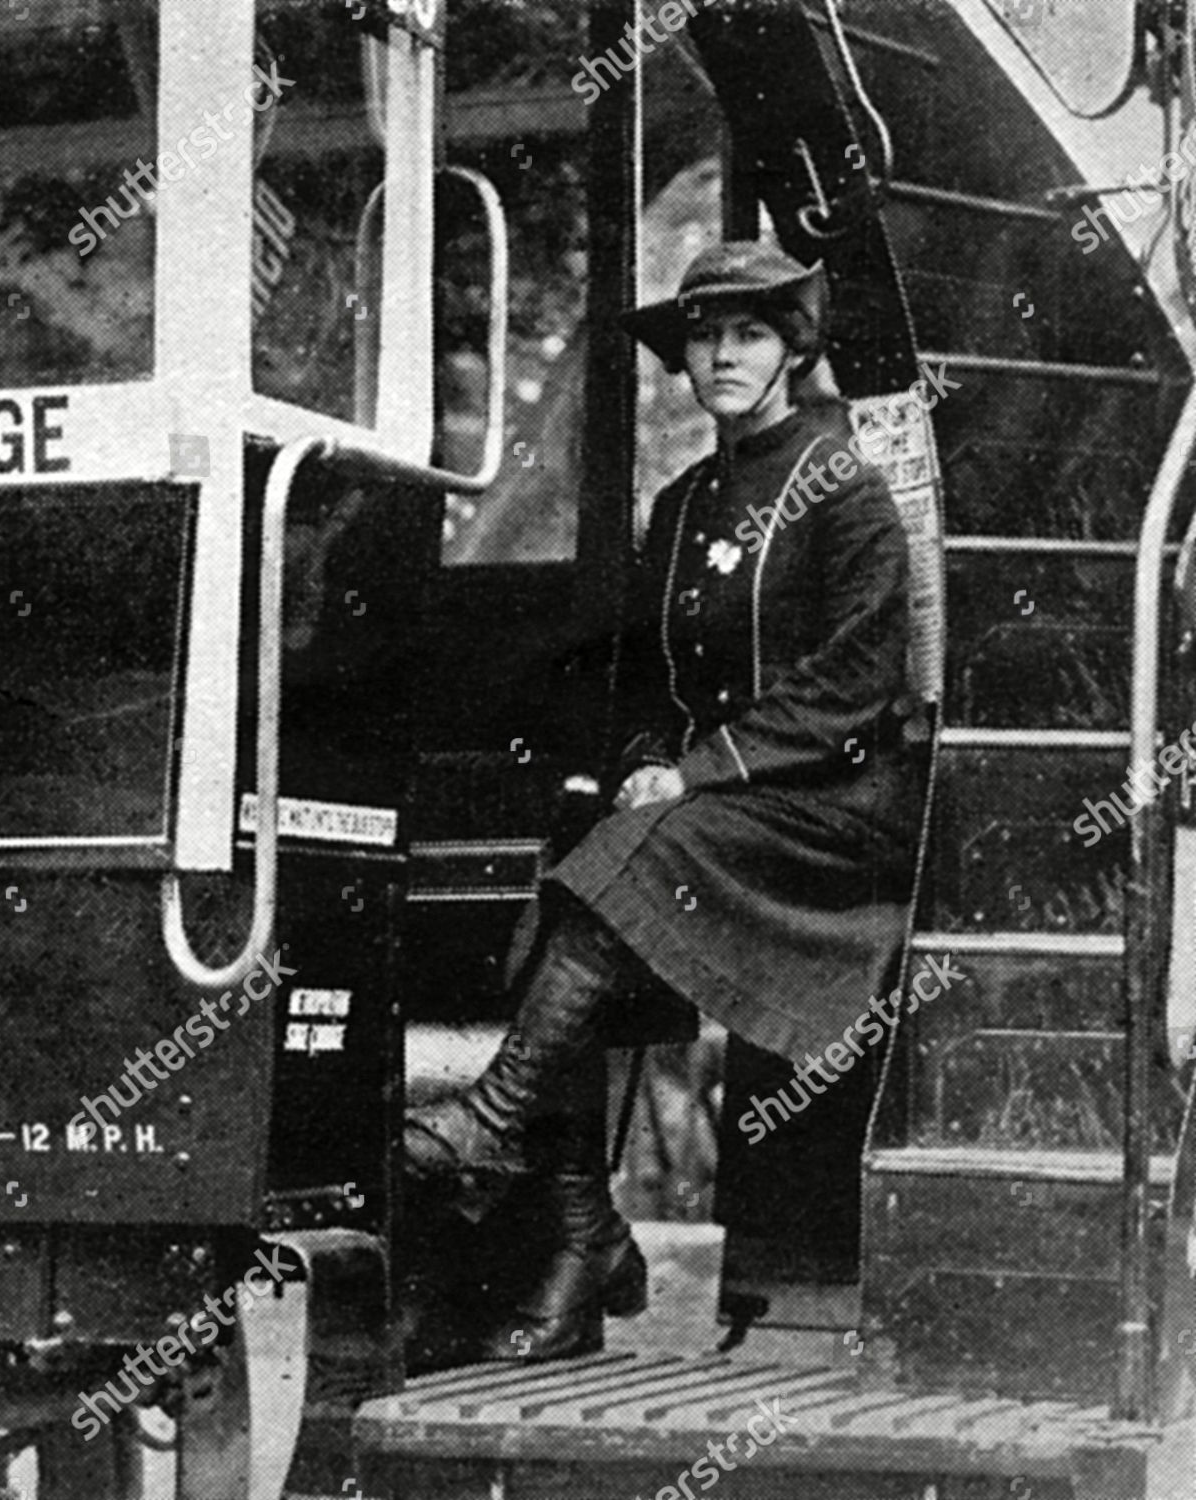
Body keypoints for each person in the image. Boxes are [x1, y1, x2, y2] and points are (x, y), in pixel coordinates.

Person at [405, 238, 923, 1361]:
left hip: (830, 810)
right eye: (705, 334)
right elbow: (645, 676)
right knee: (573, 870)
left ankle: (494, 1129)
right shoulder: (683, 504)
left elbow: (856, 681)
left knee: (633, 851)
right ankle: (585, 1226)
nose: (723, 354)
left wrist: (690, 774)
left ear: (793, 348)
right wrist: (646, 762)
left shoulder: (845, 491)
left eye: (749, 332)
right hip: (708, 811)